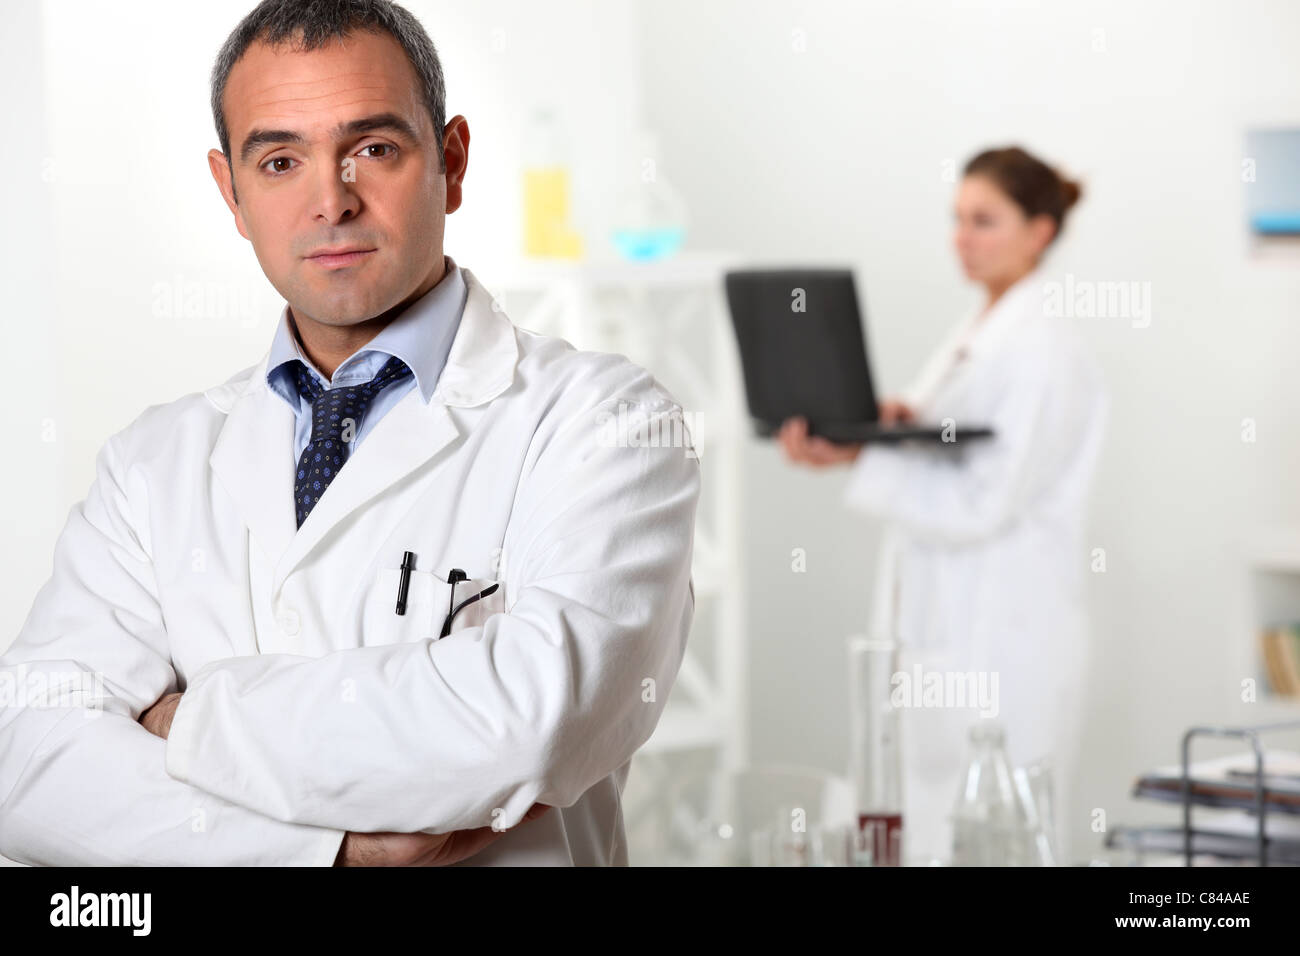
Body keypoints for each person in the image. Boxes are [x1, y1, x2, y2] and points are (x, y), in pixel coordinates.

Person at [0, 0, 699, 867]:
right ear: (232, 192)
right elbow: (27, 760)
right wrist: (334, 851)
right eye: (281, 160)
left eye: (373, 149)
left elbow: (536, 721)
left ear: (451, 160)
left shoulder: (606, 424)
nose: (330, 201)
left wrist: (194, 717)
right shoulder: (154, 464)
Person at [778, 146, 1106, 864]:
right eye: (957, 219)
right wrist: (875, 431)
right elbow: (947, 446)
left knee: (1002, 837)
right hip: (940, 633)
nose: (963, 238)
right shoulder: (975, 334)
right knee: (922, 828)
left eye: (984, 220)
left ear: (1040, 230)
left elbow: (986, 502)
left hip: (1008, 637)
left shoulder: (1044, 346)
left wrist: (870, 452)